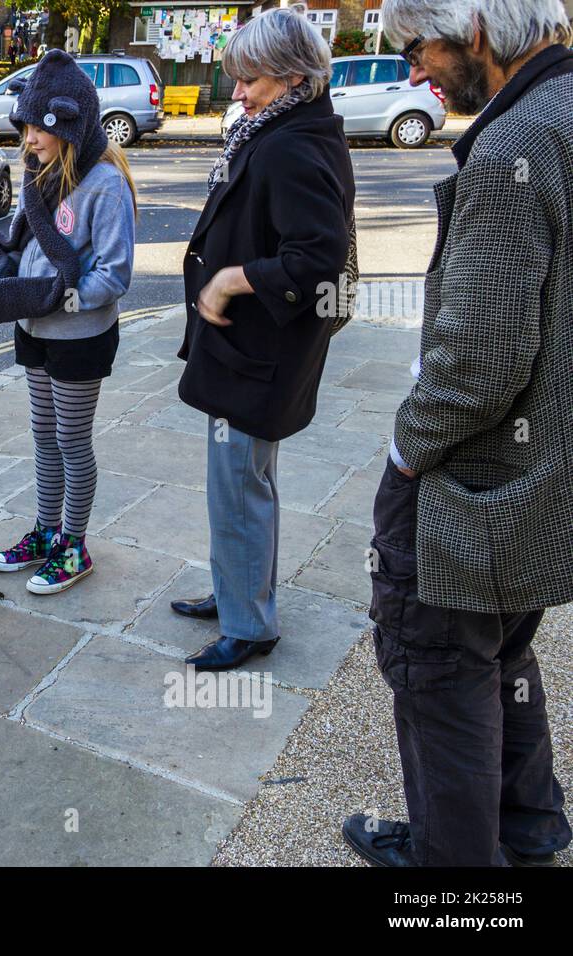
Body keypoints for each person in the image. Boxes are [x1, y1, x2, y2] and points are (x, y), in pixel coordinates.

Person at [342, 0, 573, 868]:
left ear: (473, 27)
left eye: (418, 46)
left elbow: (477, 364)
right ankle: (527, 830)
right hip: (543, 474)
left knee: (437, 668)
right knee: (502, 653)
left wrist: (404, 456)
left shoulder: (516, 145)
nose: (414, 71)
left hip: (474, 487)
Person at [170, 7, 355, 671]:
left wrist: (229, 281)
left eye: (250, 81)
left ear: (293, 76)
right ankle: (237, 592)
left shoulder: (292, 142)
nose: (238, 94)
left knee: (239, 486)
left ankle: (249, 626)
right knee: (242, 483)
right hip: (249, 352)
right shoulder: (287, 124)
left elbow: (318, 259)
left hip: (257, 355)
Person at [0, 49, 136, 595]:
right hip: (35, 329)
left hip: (79, 335)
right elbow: (22, 244)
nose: (27, 138)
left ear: (67, 125)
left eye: (35, 128)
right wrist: (4, 273)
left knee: (71, 438)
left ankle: (75, 544)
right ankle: (45, 533)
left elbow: (114, 275)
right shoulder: (37, 174)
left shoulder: (105, 186)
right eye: (23, 126)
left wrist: (57, 300)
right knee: (43, 434)